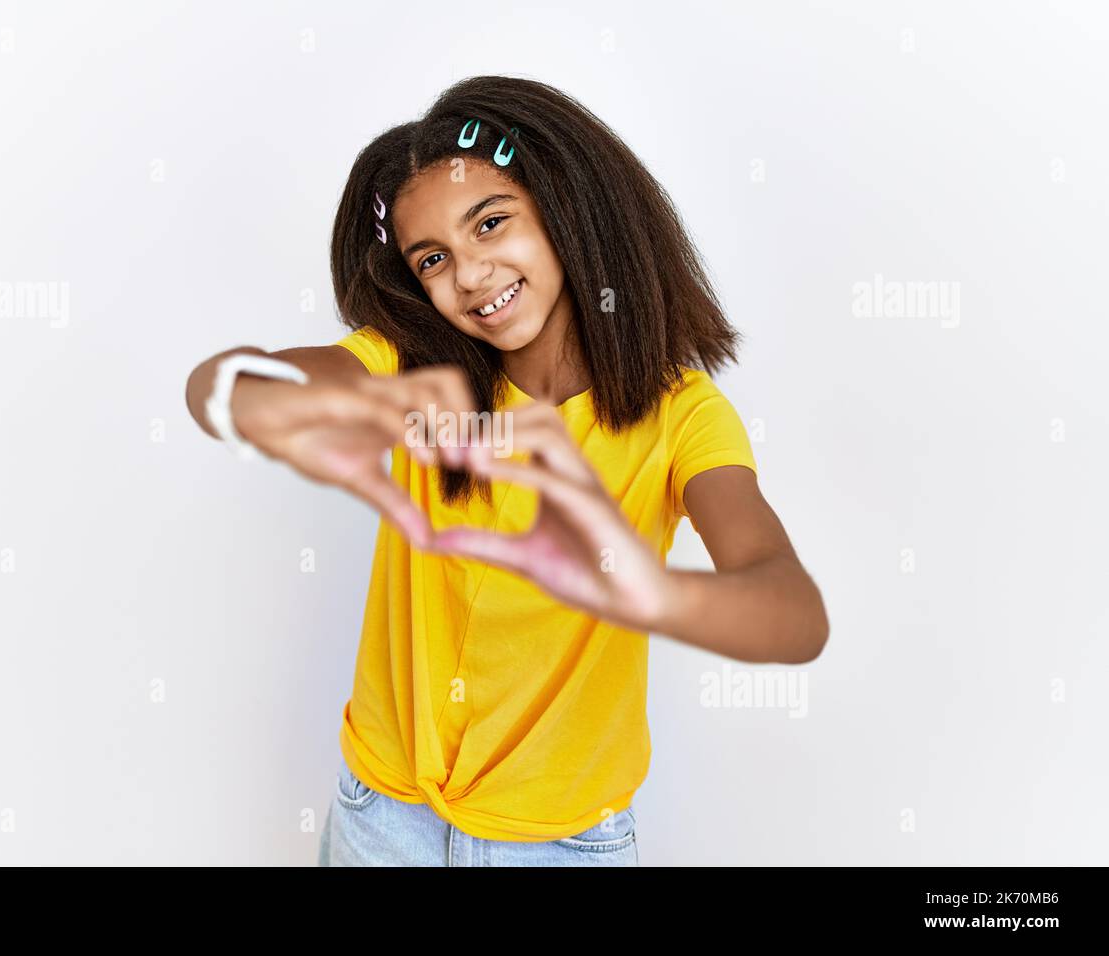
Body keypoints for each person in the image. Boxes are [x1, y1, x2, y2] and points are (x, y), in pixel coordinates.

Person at [185, 76, 828, 866]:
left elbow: (794, 613)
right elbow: (230, 393)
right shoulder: (413, 366)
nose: (471, 273)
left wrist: (655, 593)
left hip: (561, 844)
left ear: (567, 207)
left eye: (491, 223)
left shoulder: (683, 415)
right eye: (433, 259)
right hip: (383, 817)